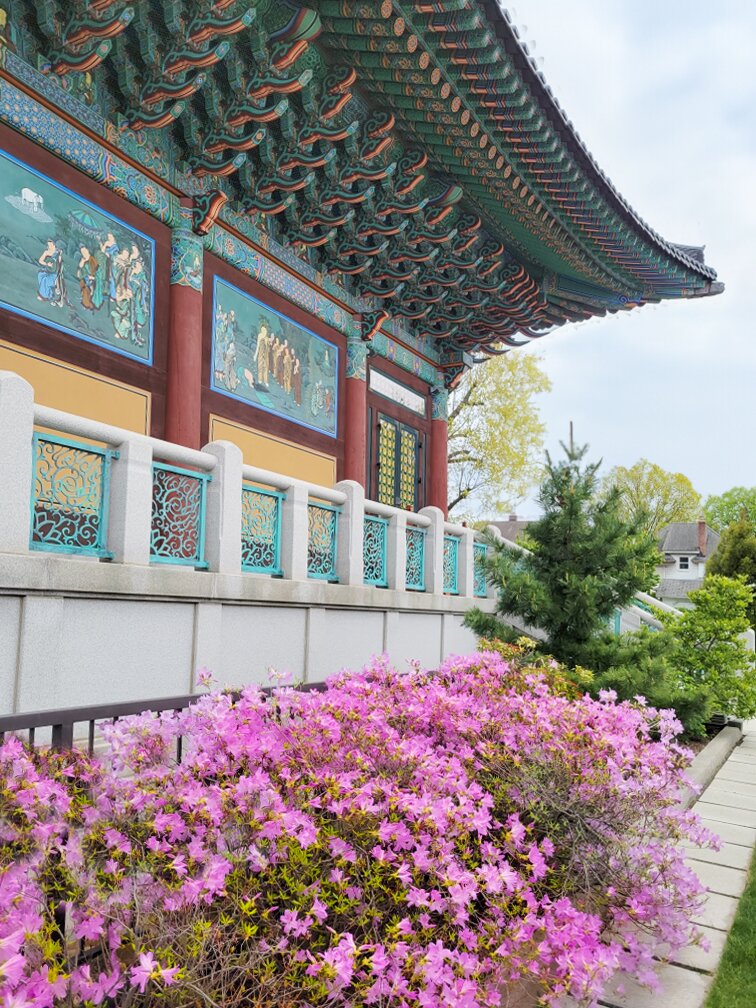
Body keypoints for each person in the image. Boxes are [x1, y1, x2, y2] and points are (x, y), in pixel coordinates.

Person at [77, 245, 100, 311]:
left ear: (88, 251)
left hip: (93, 280)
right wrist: (80, 266)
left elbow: (98, 272)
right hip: (85, 280)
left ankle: (89, 304)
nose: (83, 253)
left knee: (88, 290)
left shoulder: (93, 260)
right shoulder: (83, 260)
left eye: (85, 251)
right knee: (85, 290)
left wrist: (93, 277)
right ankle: (86, 304)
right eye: (82, 252)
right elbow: (79, 275)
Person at [254, 320, 271, 387]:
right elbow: (258, 345)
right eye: (262, 329)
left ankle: (266, 381)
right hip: (260, 354)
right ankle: (260, 379)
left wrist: (268, 342)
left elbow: (268, 349)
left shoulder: (267, 338)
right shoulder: (260, 336)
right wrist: (255, 355)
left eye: (264, 330)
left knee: (266, 367)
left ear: (266, 330)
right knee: (260, 366)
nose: (263, 331)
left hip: (266, 355)